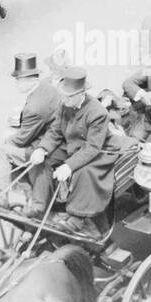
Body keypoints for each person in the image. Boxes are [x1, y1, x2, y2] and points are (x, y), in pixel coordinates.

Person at [27, 67, 120, 234]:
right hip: (71, 147)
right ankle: (39, 205)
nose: (64, 99)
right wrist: (42, 149)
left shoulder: (97, 112)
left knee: (84, 172)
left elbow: (92, 147)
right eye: (62, 94)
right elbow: (55, 131)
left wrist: (69, 166)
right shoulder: (65, 104)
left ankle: (77, 218)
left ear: (81, 93)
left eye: (68, 96)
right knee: (45, 160)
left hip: (96, 151)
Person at [0, 53, 62, 176]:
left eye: (19, 81)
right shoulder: (45, 85)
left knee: (2, 150)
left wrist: (7, 139)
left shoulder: (34, 108)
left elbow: (22, 139)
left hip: (46, 144)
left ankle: (2, 192)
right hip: (54, 133)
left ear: (33, 80)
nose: (16, 84)